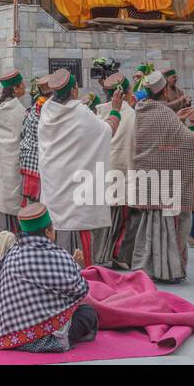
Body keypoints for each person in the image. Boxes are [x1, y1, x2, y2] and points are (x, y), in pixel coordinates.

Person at [36, 69, 122, 266]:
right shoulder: (80, 113)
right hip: (74, 189)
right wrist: (116, 109)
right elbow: (107, 131)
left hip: (53, 185)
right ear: (74, 90)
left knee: (56, 230)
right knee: (76, 240)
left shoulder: (47, 109)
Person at [0, 202, 98, 352]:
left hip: (5, 335)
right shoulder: (60, 256)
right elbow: (81, 290)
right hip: (44, 340)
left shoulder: (12, 252)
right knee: (87, 313)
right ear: (48, 231)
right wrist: (77, 267)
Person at [125, 70, 194, 283]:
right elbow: (188, 141)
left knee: (148, 226)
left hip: (148, 181)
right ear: (165, 90)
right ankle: (170, 268)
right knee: (178, 223)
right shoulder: (164, 114)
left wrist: (177, 119)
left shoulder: (140, 111)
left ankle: (146, 266)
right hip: (168, 185)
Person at [94, 72, 138, 268]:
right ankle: (119, 256)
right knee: (124, 221)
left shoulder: (97, 114)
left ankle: (99, 254)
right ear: (125, 93)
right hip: (124, 175)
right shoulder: (132, 115)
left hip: (100, 175)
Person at [0, 70, 27, 235]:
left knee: (1, 196)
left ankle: (0, 233)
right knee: (11, 199)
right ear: (16, 89)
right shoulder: (18, 111)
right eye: (22, 85)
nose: (25, 87)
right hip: (12, 162)